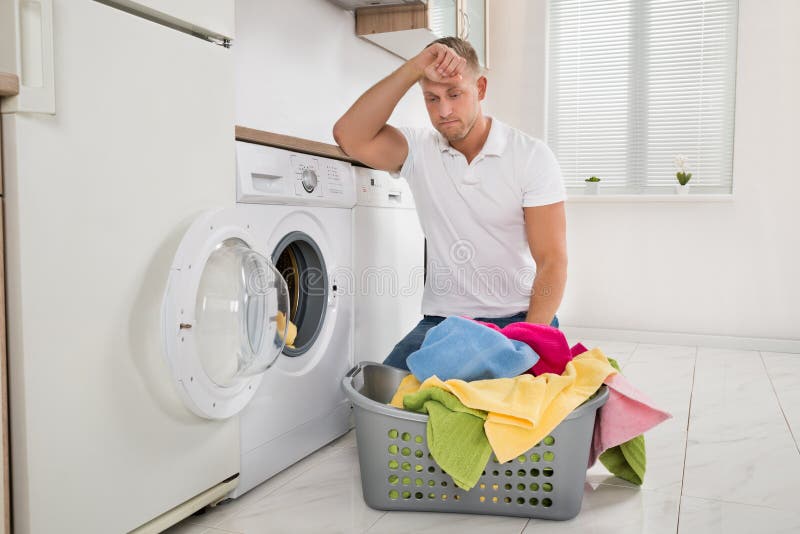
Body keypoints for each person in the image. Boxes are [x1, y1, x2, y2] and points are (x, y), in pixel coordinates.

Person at [333, 37, 567, 371]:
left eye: (454, 94)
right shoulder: (417, 149)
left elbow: (553, 260)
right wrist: (415, 66)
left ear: (481, 88)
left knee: (505, 412)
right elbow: (349, 135)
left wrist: (528, 338)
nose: (443, 111)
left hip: (517, 320)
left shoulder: (530, 155)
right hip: (442, 325)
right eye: (432, 98)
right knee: (383, 401)